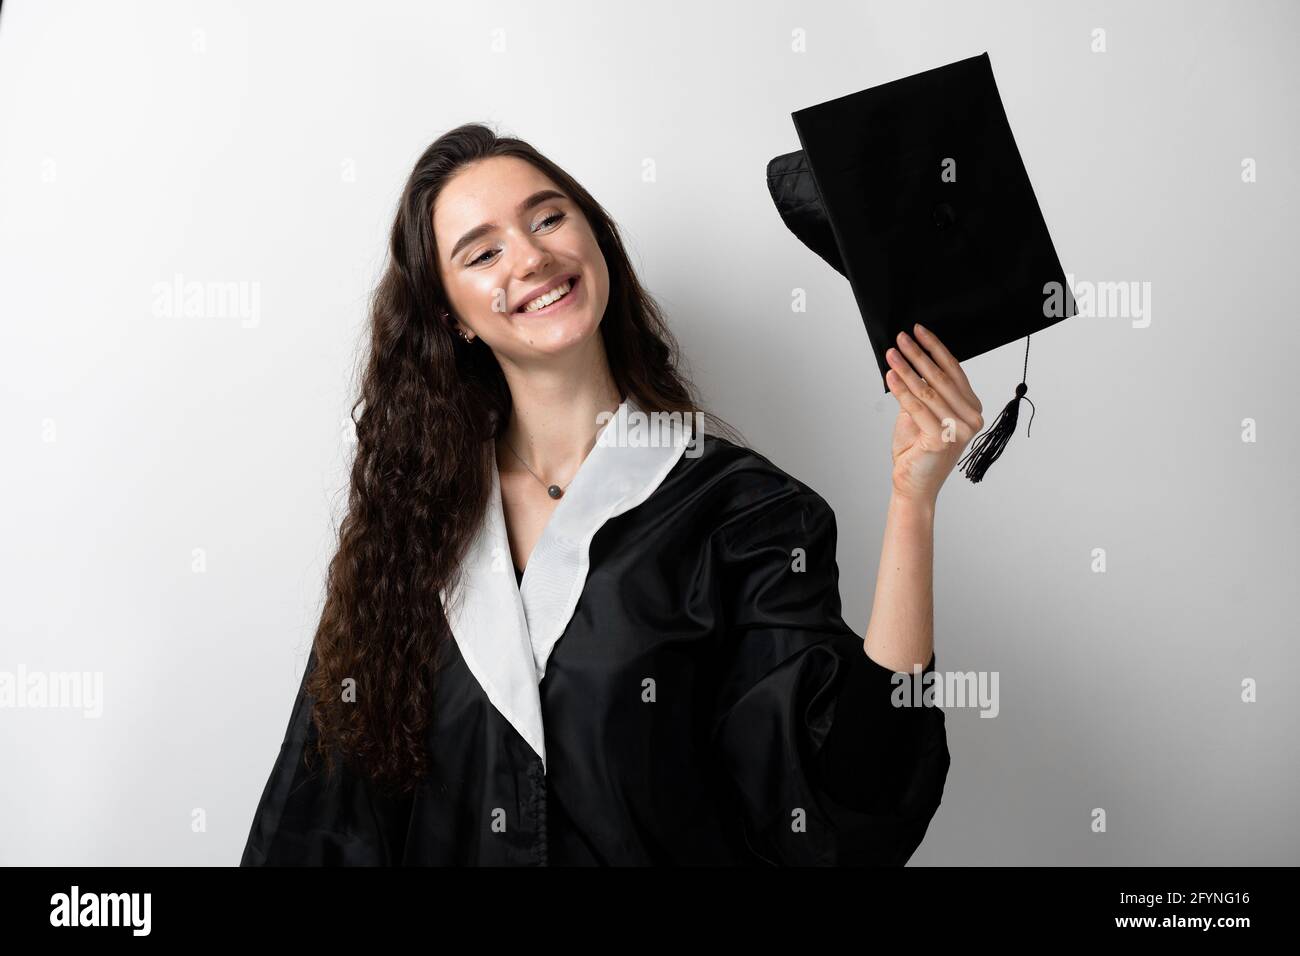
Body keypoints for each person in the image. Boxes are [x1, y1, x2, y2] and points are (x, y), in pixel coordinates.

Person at [238, 122, 984, 866]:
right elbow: (322, 826)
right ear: (449, 317)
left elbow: (843, 793)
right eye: (484, 251)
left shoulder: (741, 512)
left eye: (548, 217)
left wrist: (911, 505)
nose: (531, 256)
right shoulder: (409, 532)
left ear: (596, 240)